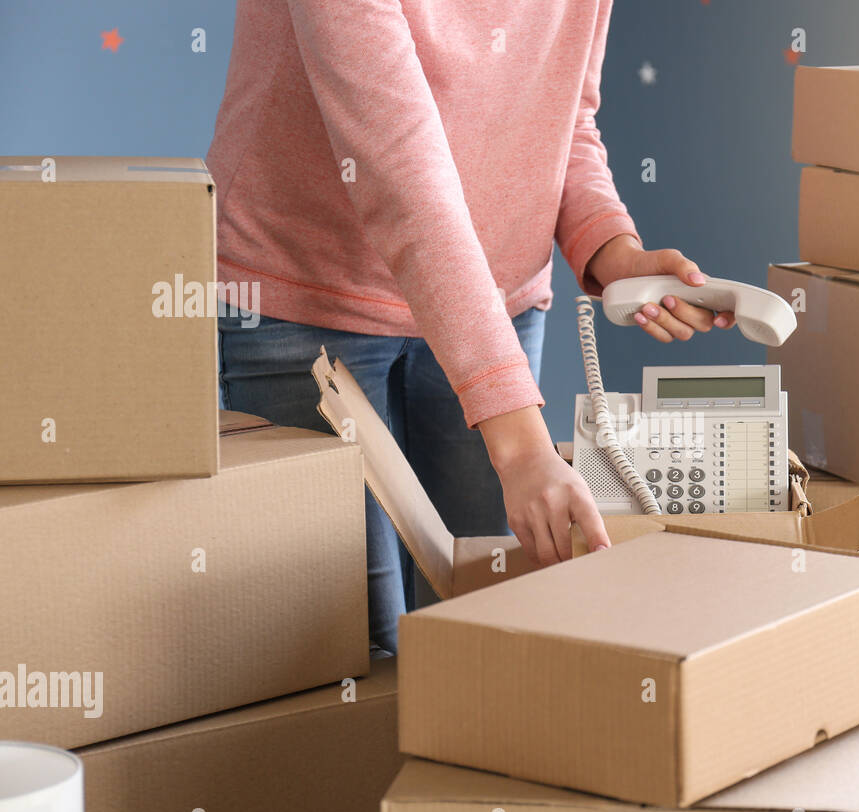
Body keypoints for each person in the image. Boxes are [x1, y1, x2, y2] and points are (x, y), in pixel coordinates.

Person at [207, 1, 735, 653]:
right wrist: (518, 444)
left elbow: (565, 117)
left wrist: (611, 248)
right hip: (304, 291)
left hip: (497, 304)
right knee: (344, 654)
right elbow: (401, 175)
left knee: (487, 638)